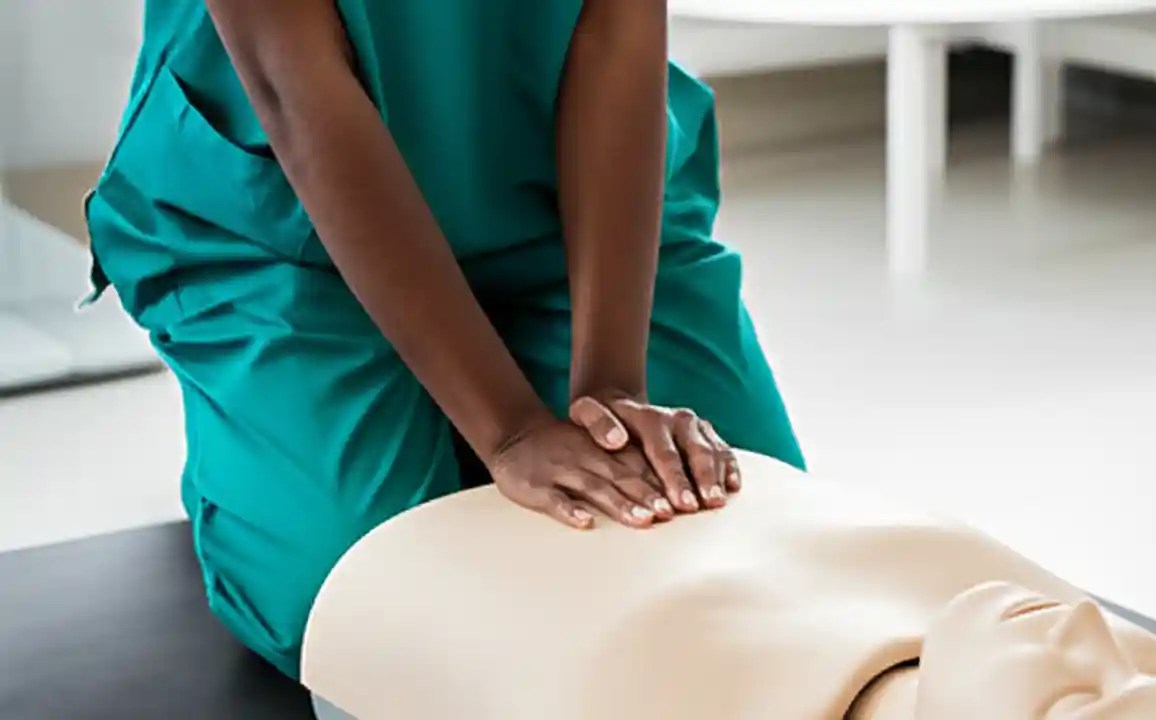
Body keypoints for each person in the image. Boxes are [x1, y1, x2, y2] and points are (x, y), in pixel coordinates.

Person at [83, 0, 804, 678]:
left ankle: (454, 413)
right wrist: (510, 429)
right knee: (354, 606)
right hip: (286, 232)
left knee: (754, 533)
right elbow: (294, 85)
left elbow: (616, 31)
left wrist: (612, 396)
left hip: (551, 191)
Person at [302, 452, 1156, 720]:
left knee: (311, 536)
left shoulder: (634, 684)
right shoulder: (968, 586)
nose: (1088, 623)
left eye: (1077, 704)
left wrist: (521, 425)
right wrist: (600, 394)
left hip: (406, 565)